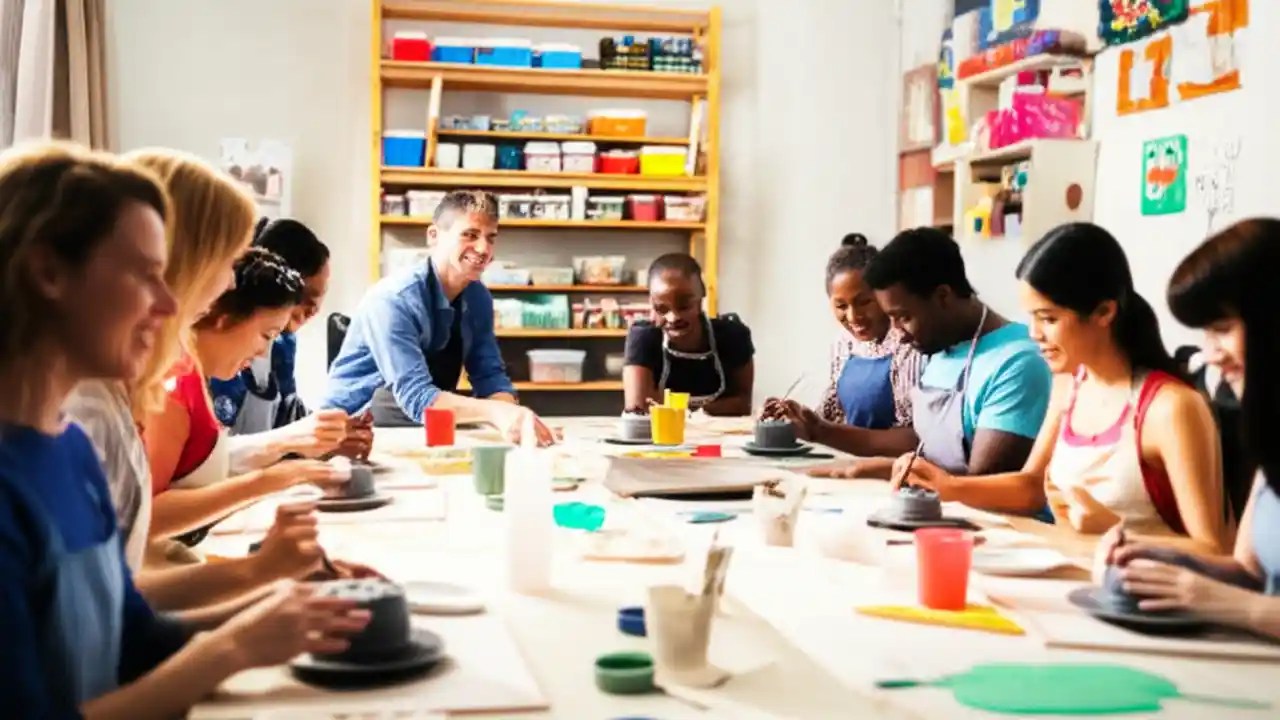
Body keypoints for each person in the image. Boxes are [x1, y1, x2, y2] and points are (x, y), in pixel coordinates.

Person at [0, 142, 368, 718]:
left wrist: (277, 598)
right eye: (147, 275)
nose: (172, 305)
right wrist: (236, 644)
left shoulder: (69, 447)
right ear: (48, 271)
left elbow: (127, 633)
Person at [893, 224, 1226, 550]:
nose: (1035, 333)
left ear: (1104, 312)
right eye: (1032, 317)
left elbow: (1216, 550)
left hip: (1142, 597)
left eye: (1049, 319)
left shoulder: (1170, 408)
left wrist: (1117, 532)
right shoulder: (1071, 384)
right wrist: (946, 487)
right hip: (1071, 575)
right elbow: (1031, 488)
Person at [1097, 218, 1280, 634]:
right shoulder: (1272, 434)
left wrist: (1232, 606)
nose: (1211, 354)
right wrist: (1154, 560)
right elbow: (1249, 572)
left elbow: (1246, 598)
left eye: (1223, 330)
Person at [798, 227, 1053, 478]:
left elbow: (986, 484)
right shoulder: (940, 348)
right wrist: (819, 429)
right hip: (938, 507)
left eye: (904, 317)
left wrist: (891, 472)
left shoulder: (1017, 361)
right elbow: (921, 444)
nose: (897, 332)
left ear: (942, 296)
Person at [147, 247, 350, 543]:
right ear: (223, 317)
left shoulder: (195, 377)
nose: (263, 352)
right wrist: (267, 481)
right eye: (266, 335)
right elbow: (143, 517)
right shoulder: (173, 389)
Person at [322, 190, 553, 445]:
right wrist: (496, 413)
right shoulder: (393, 299)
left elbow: (489, 375)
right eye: (470, 235)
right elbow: (417, 398)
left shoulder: (478, 297)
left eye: (491, 238)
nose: (483, 249)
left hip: (430, 427)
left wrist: (515, 419)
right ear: (433, 236)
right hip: (356, 433)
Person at [208, 218, 372, 462]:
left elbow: (289, 421)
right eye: (308, 297)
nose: (315, 310)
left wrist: (330, 437)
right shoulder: (214, 355)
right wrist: (292, 443)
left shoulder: (283, 345)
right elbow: (206, 460)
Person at [762, 234, 922, 475]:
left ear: (883, 295)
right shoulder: (844, 344)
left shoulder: (908, 345)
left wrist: (821, 431)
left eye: (864, 302)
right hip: (848, 464)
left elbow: (914, 438)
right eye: (841, 306)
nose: (853, 317)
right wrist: (795, 418)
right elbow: (830, 418)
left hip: (891, 471)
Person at [623, 253, 755, 416]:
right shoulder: (643, 338)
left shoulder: (732, 336)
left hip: (719, 439)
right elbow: (638, 409)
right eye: (661, 309)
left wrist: (682, 410)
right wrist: (709, 410)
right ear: (651, 302)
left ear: (701, 298)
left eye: (684, 306)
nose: (673, 317)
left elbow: (743, 405)